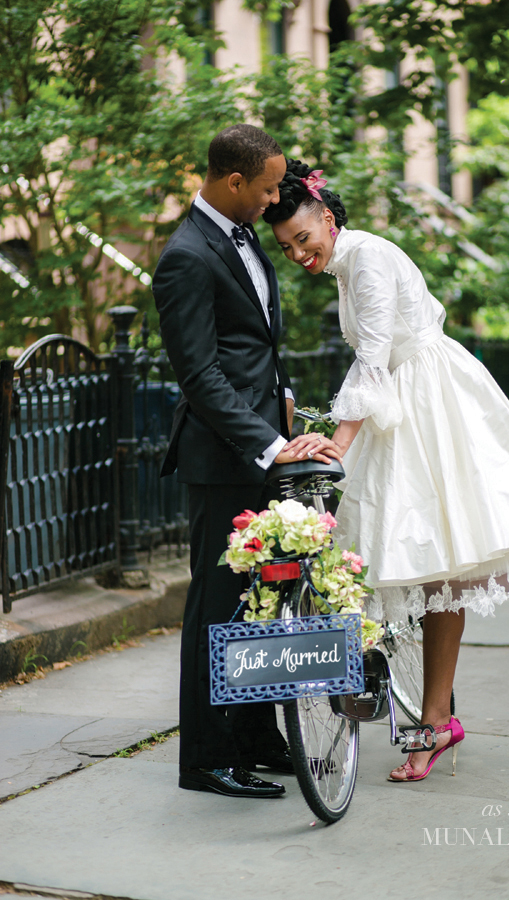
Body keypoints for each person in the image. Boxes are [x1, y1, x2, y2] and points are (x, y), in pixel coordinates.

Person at [263, 159, 509, 783]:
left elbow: (377, 358)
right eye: (286, 247)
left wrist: (338, 442)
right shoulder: (346, 264)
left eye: (304, 239)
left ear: (327, 220)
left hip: (427, 406)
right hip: (400, 409)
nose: (298, 253)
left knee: (436, 562)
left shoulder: (369, 259)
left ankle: (436, 719)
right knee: (427, 567)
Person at [152, 129, 340, 799]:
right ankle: (204, 758)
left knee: (265, 602)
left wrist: (284, 408)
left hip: (267, 447)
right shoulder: (185, 258)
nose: (273, 200)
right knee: (218, 606)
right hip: (226, 459)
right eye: (265, 188)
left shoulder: (241, 232)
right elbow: (201, 376)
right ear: (234, 182)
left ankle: (257, 737)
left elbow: (255, 344)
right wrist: (267, 445)